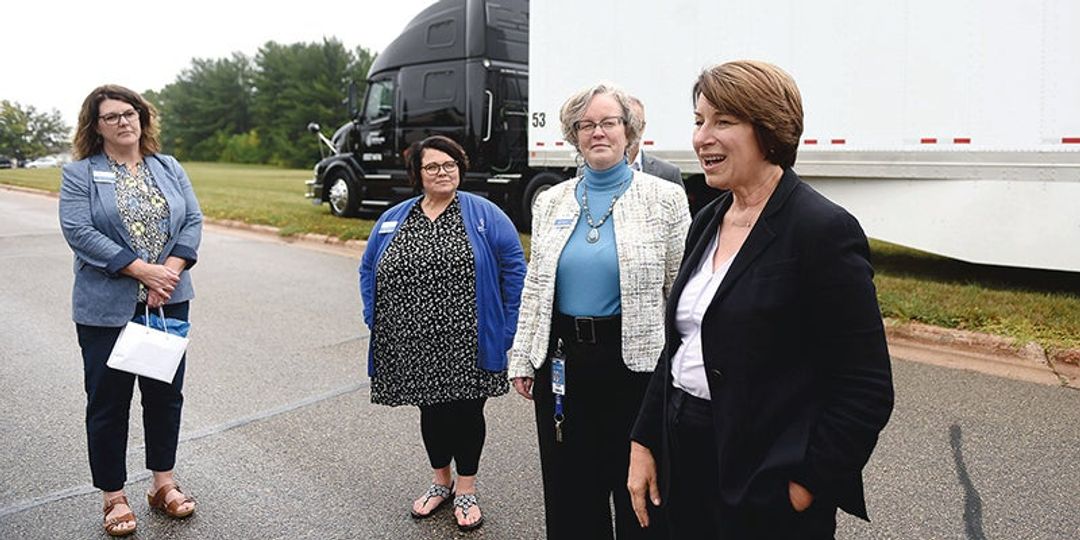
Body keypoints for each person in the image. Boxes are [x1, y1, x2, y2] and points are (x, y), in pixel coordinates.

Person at [628, 60, 895, 538]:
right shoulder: (708, 220)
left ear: (769, 129)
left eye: (722, 122)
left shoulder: (821, 230)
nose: (701, 137)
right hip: (682, 456)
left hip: (766, 477)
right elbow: (682, 345)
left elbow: (865, 384)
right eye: (698, 121)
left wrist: (806, 484)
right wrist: (645, 440)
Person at [508, 83, 691, 539]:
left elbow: (682, 290)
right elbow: (536, 285)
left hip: (638, 366)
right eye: (585, 125)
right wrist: (523, 356)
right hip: (565, 363)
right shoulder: (551, 200)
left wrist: (682, 369)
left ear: (629, 131)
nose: (598, 132)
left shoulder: (664, 198)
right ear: (574, 135)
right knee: (570, 488)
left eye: (608, 122)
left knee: (641, 491)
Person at [359, 135, 526, 532]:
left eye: (450, 165)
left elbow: (514, 267)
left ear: (460, 169)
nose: (443, 173)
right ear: (418, 174)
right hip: (412, 339)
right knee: (431, 411)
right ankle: (441, 483)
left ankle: (466, 488)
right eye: (432, 167)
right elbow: (369, 268)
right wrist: (374, 315)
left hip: (470, 336)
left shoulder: (483, 213)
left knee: (467, 412)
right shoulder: (395, 217)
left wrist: (508, 328)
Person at [59, 84, 202, 537]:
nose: (124, 122)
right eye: (112, 116)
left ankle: (163, 484)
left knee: (165, 396)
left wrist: (169, 274)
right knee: (108, 403)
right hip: (105, 311)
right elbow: (79, 230)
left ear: (142, 117)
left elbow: (193, 220)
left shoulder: (168, 167)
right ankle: (113, 497)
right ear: (95, 126)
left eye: (130, 113)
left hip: (168, 301)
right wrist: (143, 272)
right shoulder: (80, 173)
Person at [578, 95, 684, 189]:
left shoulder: (668, 173)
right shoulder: (585, 171)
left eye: (636, 123)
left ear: (643, 127)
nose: (632, 129)